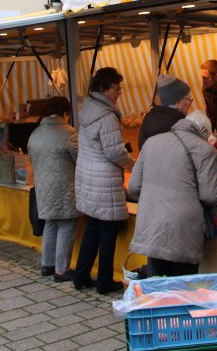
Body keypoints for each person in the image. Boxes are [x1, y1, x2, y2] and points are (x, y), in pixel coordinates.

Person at [128, 116, 217, 277]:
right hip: (183, 229)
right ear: (203, 130)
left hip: (151, 223)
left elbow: (133, 186)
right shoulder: (204, 149)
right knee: (182, 286)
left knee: (155, 284)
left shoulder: (151, 142)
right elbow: (211, 195)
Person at [73, 67, 135, 294]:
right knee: (107, 232)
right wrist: (134, 165)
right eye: (116, 88)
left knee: (93, 228)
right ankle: (104, 282)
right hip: (104, 181)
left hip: (89, 177)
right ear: (103, 89)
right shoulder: (107, 116)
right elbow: (115, 152)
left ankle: (81, 276)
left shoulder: (88, 109)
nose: (120, 92)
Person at [27, 96, 79, 282]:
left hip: (43, 188)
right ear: (66, 113)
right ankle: (62, 270)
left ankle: (47, 264)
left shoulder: (35, 133)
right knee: (66, 225)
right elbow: (80, 160)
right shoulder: (69, 133)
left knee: (50, 223)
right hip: (65, 187)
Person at [137, 74, 193, 149]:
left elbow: (141, 147)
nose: (190, 102)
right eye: (189, 99)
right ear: (177, 103)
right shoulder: (178, 125)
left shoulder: (148, 118)